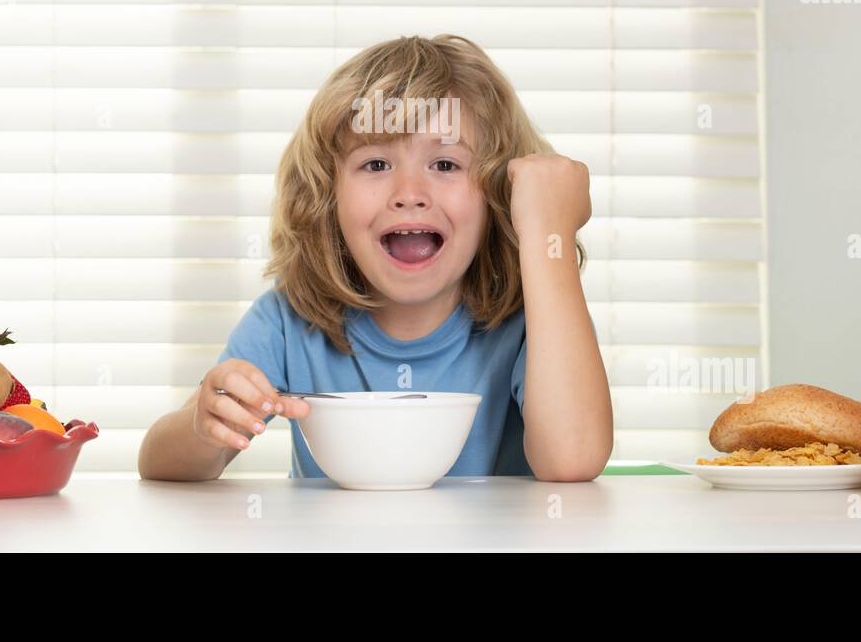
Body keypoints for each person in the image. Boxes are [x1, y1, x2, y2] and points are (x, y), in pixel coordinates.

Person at [138, 34, 612, 481]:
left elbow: (572, 457)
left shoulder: (535, 321)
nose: (410, 194)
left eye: (445, 164)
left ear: (497, 195)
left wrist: (548, 233)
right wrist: (205, 427)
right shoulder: (289, 321)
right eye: (377, 164)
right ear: (328, 196)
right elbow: (159, 463)